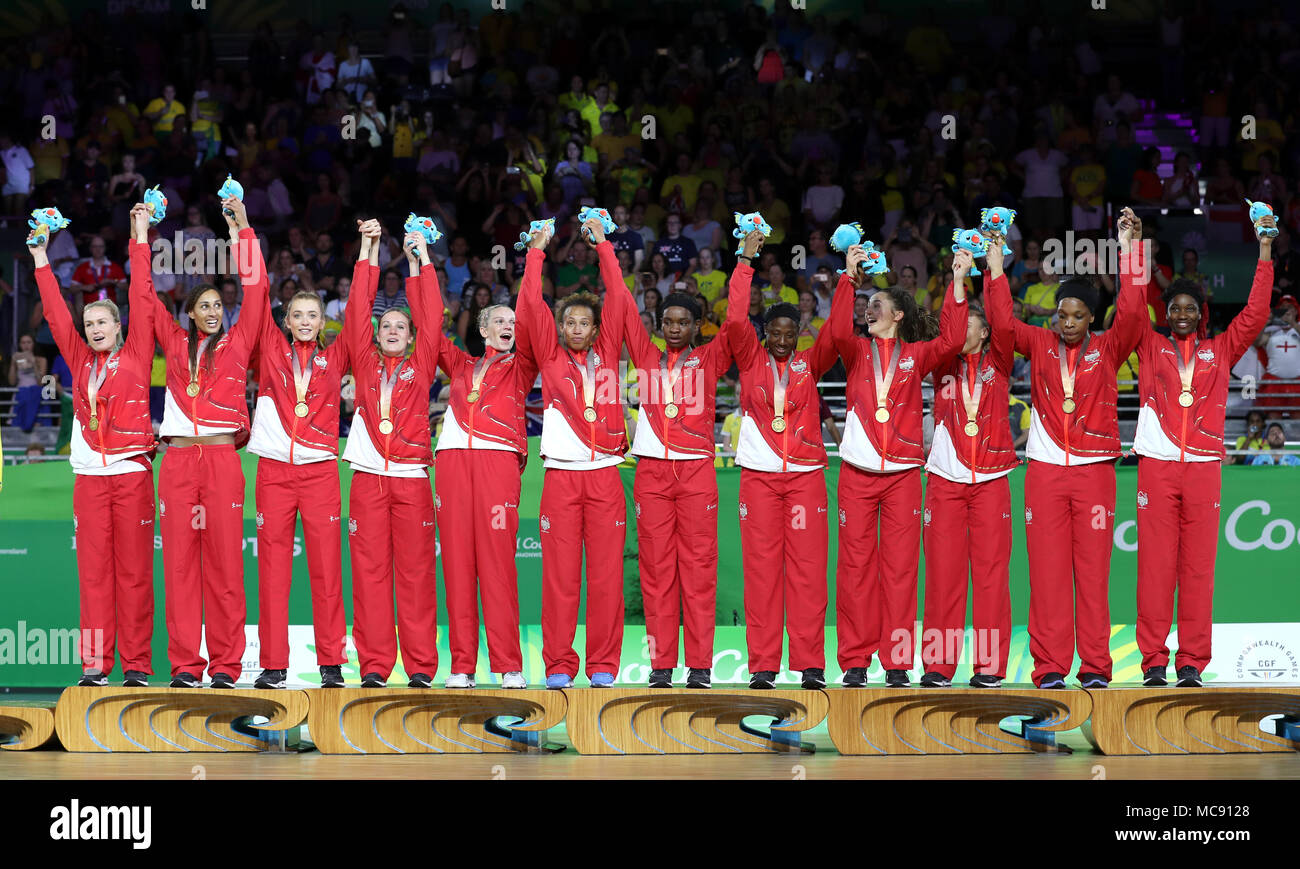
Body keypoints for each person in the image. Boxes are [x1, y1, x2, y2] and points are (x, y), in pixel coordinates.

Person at [988, 206, 1147, 689]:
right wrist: (996, 267)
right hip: (1045, 473)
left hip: (1095, 471)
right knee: (1048, 576)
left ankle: (1096, 667)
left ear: (1092, 318)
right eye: (1063, 314)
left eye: (1078, 315)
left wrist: (1130, 251)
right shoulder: (1038, 343)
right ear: (1054, 316)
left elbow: (1135, 311)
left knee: (1093, 577)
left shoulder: (1108, 347)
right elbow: (1000, 322)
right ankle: (1050, 667)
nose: (1069, 322)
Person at [1130, 212, 1274, 687]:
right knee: (1154, 570)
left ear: (1202, 313)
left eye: (1191, 308)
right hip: (1158, 466)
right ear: (1166, 314)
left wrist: (1265, 252)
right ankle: (1153, 660)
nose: (1183, 314)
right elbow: (1131, 312)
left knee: (1196, 570)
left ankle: (1191, 660)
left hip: (1203, 469)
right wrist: (1132, 250)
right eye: (1175, 308)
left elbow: (1255, 314)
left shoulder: (1222, 348)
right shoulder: (1150, 347)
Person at [29, 203, 157, 687]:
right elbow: (58, 313)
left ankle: (138, 666)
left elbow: (144, 298)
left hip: (130, 474)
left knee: (134, 575)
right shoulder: (80, 360)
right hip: (89, 480)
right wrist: (42, 259)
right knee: (95, 577)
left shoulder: (139, 352)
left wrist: (139, 237)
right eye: (89, 325)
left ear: (118, 326)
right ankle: (94, 666)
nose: (94, 329)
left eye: (102, 322)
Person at [829, 246, 967, 688]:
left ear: (899, 316)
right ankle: (854, 660)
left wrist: (958, 280)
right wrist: (847, 279)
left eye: (877, 305)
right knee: (854, 570)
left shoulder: (917, 355)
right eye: (867, 305)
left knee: (901, 572)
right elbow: (834, 329)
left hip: (905, 475)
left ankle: (896, 662)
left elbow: (952, 339)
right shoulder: (854, 350)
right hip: (857, 473)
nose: (868, 311)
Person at [149, 194, 267, 688]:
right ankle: (183, 667)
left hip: (220, 460)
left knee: (224, 567)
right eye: (205, 306)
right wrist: (142, 240)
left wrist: (241, 227)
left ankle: (225, 666)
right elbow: (142, 299)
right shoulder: (175, 344)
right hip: (176, 461)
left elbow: (257, 290)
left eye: (219, 304)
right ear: (191, 314)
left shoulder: (238, 344)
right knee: (179, 569)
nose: (215, 311)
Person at [616, 234, 743, 689]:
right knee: (656, 569)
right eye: (667, 321)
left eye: (682, 322)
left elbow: (737, 321)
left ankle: (702, 666)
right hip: (650, 471)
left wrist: (744, 259)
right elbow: (625, 308)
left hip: (694, 470)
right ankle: (662, 664)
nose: (673, 328)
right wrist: (607, 254)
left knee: (698, 566)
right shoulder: (647, 357)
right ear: (659, 324)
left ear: (696, 327)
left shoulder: (709, 360)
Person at [514, 215, 631, 689]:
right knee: (560, 579)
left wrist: (602, 244)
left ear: (596, 328)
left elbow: (620, 297)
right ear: (560, 327)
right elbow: (529, 304)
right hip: (561, 477)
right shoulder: (550, 354)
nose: (577, 328)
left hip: (605, 473)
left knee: (605, 578)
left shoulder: (608, 351)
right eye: (570, 322)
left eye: (585, 322)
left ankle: (603, 663)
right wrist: (537, 251)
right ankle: (559, 664)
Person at [244, 219, 361, 690]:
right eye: (299, 315)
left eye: (314, 315)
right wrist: (244, 235)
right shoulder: (271, 348)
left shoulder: (337, 357)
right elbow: (256, 292)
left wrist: (367, 250)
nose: (307, 322)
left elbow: (358, 311)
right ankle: (273, 665)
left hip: (319, 473)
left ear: (322, 321)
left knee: (326, 569)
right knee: (272, 571)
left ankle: (331, 663)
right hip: (273, 471)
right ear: (287, 321)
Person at [725, 227, 842, 691]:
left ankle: (811, 664)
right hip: (758, 478)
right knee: (762, 574)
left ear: (799, 336)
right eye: (774, 332)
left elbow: (835, 333)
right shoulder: (751, 360)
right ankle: (763, 667)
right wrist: (745, 262)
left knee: (809, 574)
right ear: (765, 334)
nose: (781, 340)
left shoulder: (809, 364)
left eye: (790, 334)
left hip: (806, 477)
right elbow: (735, 321)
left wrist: (844, 283)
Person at [431, 230, 542, 690]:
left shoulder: (522, 366)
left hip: (498, 464)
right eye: (500, 320)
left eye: (512, 322)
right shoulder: (458, 366)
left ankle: (507, 664)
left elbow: (533, 316)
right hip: (453, 463)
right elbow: (427, 322)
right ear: (481, 330)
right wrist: (422, 261)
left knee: (497, 566)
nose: (508, 326)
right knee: (457, 567)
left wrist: (533, 255)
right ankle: (461, 665)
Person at [341, 219, 441, 689]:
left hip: (411, 478)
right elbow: (357, 310)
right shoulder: (363, 362)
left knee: (417, 575)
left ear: (410, 334)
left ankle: (420, 666)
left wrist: (421, 261)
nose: (393, 330)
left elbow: (434, 318)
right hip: (367, 479)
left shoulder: (421, 365)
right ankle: (375, 666)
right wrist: (368, 250)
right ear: (377, 333)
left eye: (402, 326)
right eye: (387, 325)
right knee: (369, 574)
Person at [920, 237, 1017, 688]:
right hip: (945, 479)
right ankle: (939, 667)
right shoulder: (943, 364)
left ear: (986, 334)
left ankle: (991, 667)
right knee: (942, 577)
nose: (966, 333)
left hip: (992, 477)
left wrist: (993, 272)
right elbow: (948, 332)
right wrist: (957, 280)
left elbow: (1004, 321)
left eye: (975, 327)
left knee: (992, 577)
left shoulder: (1000, 361)